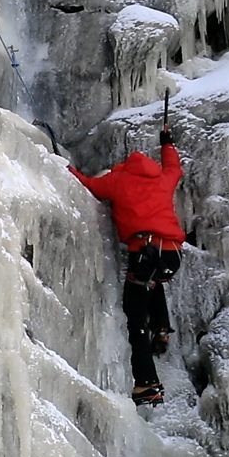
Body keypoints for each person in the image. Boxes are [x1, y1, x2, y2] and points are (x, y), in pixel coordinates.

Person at [68, 127, 184, 406]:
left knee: (134, 316)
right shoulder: (162, 179)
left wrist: (68, 169)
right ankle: (162, 328)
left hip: (146, 251)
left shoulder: (118, 180)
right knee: (150, 282)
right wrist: (167, 143)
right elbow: (175, 168)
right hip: (172, 256)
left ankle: (147, 384)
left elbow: (89, 185)